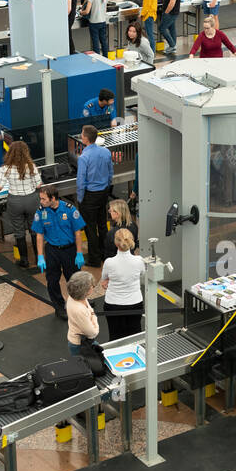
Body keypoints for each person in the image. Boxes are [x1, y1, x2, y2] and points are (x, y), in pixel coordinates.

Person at [32, 186, 88, 320]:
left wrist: (79, 252)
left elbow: (77, 233)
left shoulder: (69, 209)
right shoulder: (41, 212)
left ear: (53, 198)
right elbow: (39, 235)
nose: (41, 201)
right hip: (52, 250)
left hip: (69, 249)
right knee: (52, 281)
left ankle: (78, 302)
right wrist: (40, 256)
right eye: (40, 199)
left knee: (74, 279)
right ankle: (59, 306)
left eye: (43, 199)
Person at [0, 140, 41, 269]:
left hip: (15, 202)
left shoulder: (6, 168)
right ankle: (39, 258)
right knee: (35, 230)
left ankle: (24, 260)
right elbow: (39, 184)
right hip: (32, 200)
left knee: (19, 231)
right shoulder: (31, 166)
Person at [75, 124, 112, 267]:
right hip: (103, 193)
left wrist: (80, 198)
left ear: (85, 138)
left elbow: (81, 181)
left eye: (82, 134)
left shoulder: (84, 157)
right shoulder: (106, 152)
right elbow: (110, 173)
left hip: (90, 196)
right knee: (103, 225)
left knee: (90, 228)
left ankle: (95, 259)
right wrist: (106, 188)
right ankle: (106, 255)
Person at [101, 228, 145, 339]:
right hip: (135, 304)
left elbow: (104, 279)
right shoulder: (139, 260)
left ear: (116, 243)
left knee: (115, 336)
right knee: (135, 336)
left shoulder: (109, 262)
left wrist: (108, 280)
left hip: (113, 305)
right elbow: (142, 273)